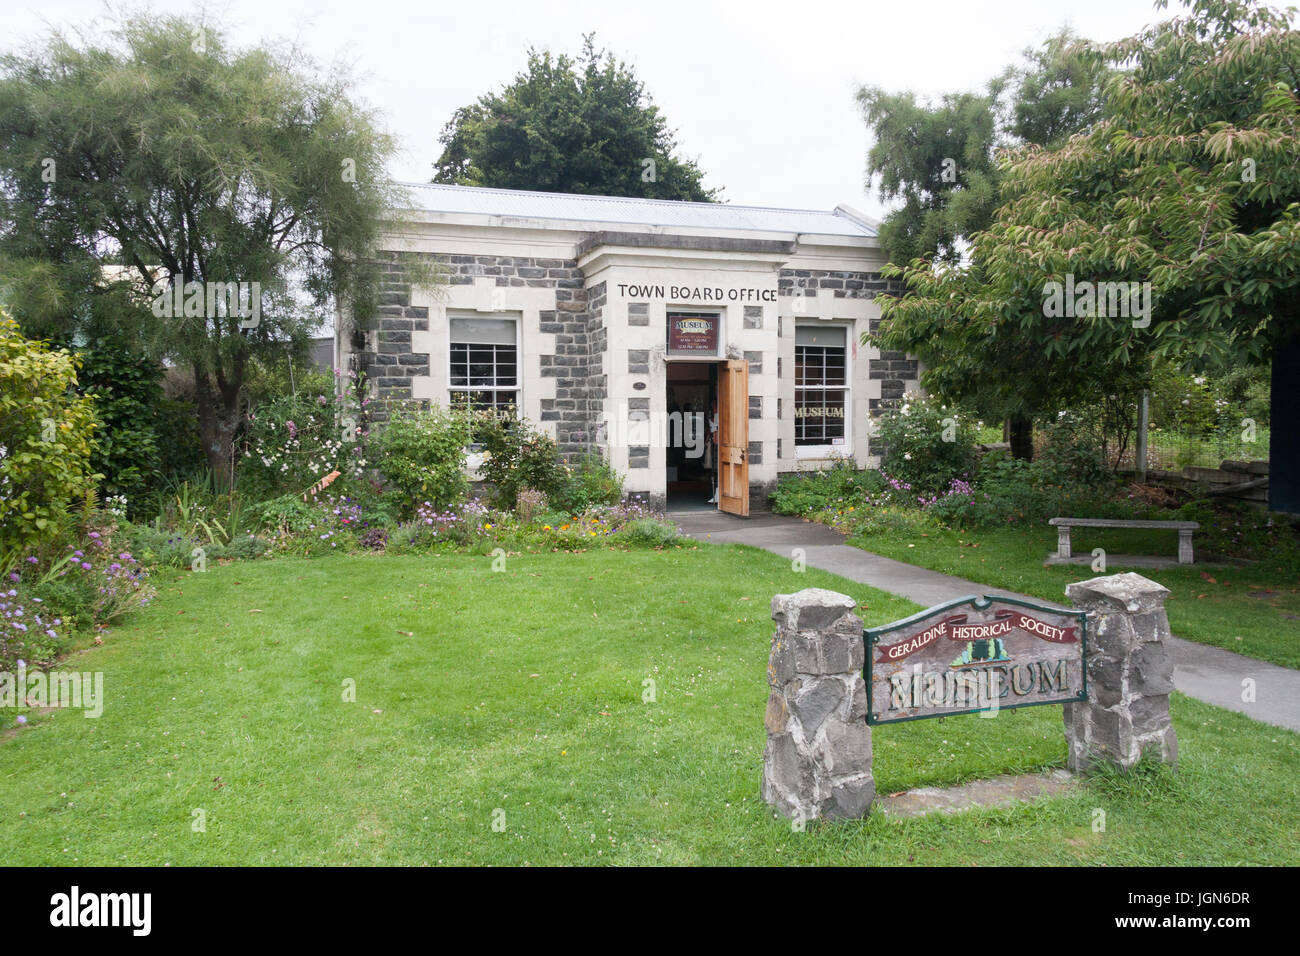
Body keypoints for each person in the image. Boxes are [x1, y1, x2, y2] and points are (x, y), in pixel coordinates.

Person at [706, 396, 719, 504]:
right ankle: (716, 493)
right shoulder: (712, 410)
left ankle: (718, 493)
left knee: (718, 469)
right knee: (714, 469)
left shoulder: (722, 408)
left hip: (720, 441)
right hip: (714, 441)